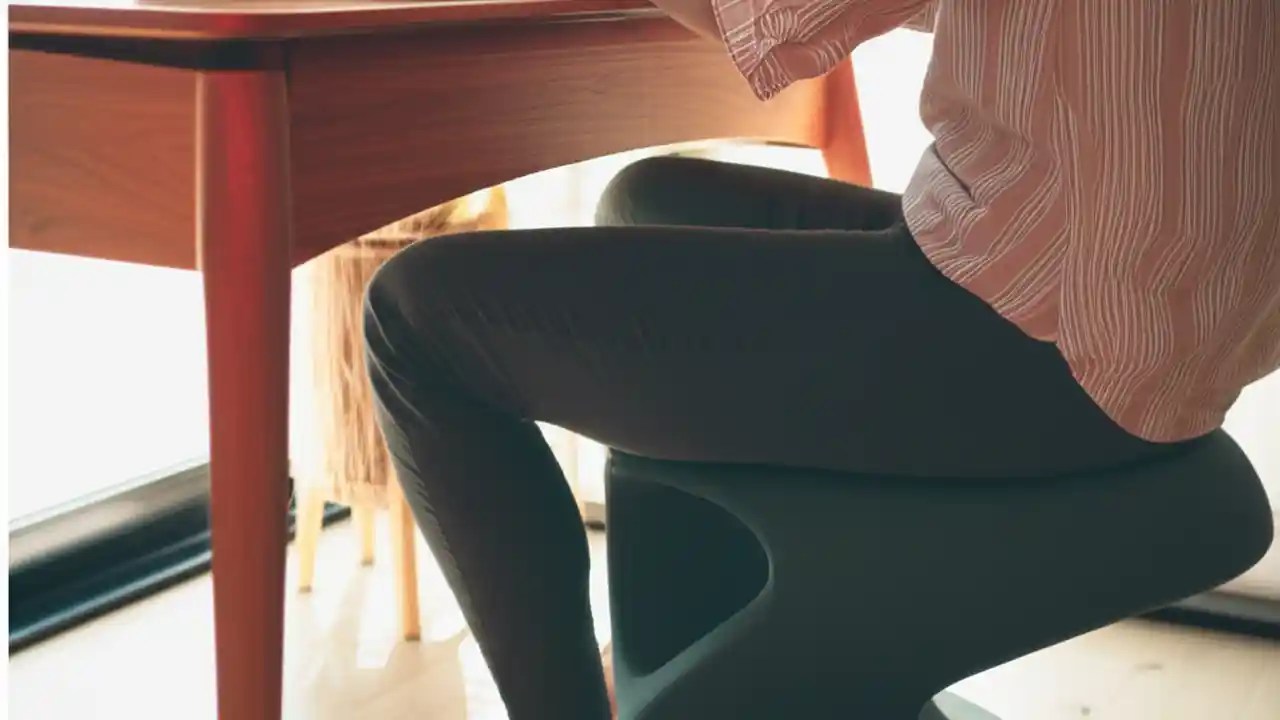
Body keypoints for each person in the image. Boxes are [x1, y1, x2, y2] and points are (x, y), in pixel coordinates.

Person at [363, 1, 1279, 717]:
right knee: (652, 196)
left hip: (1043, 331)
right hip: (1172, 319)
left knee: (415, 323)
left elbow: (761, 13)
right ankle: (689, 643)